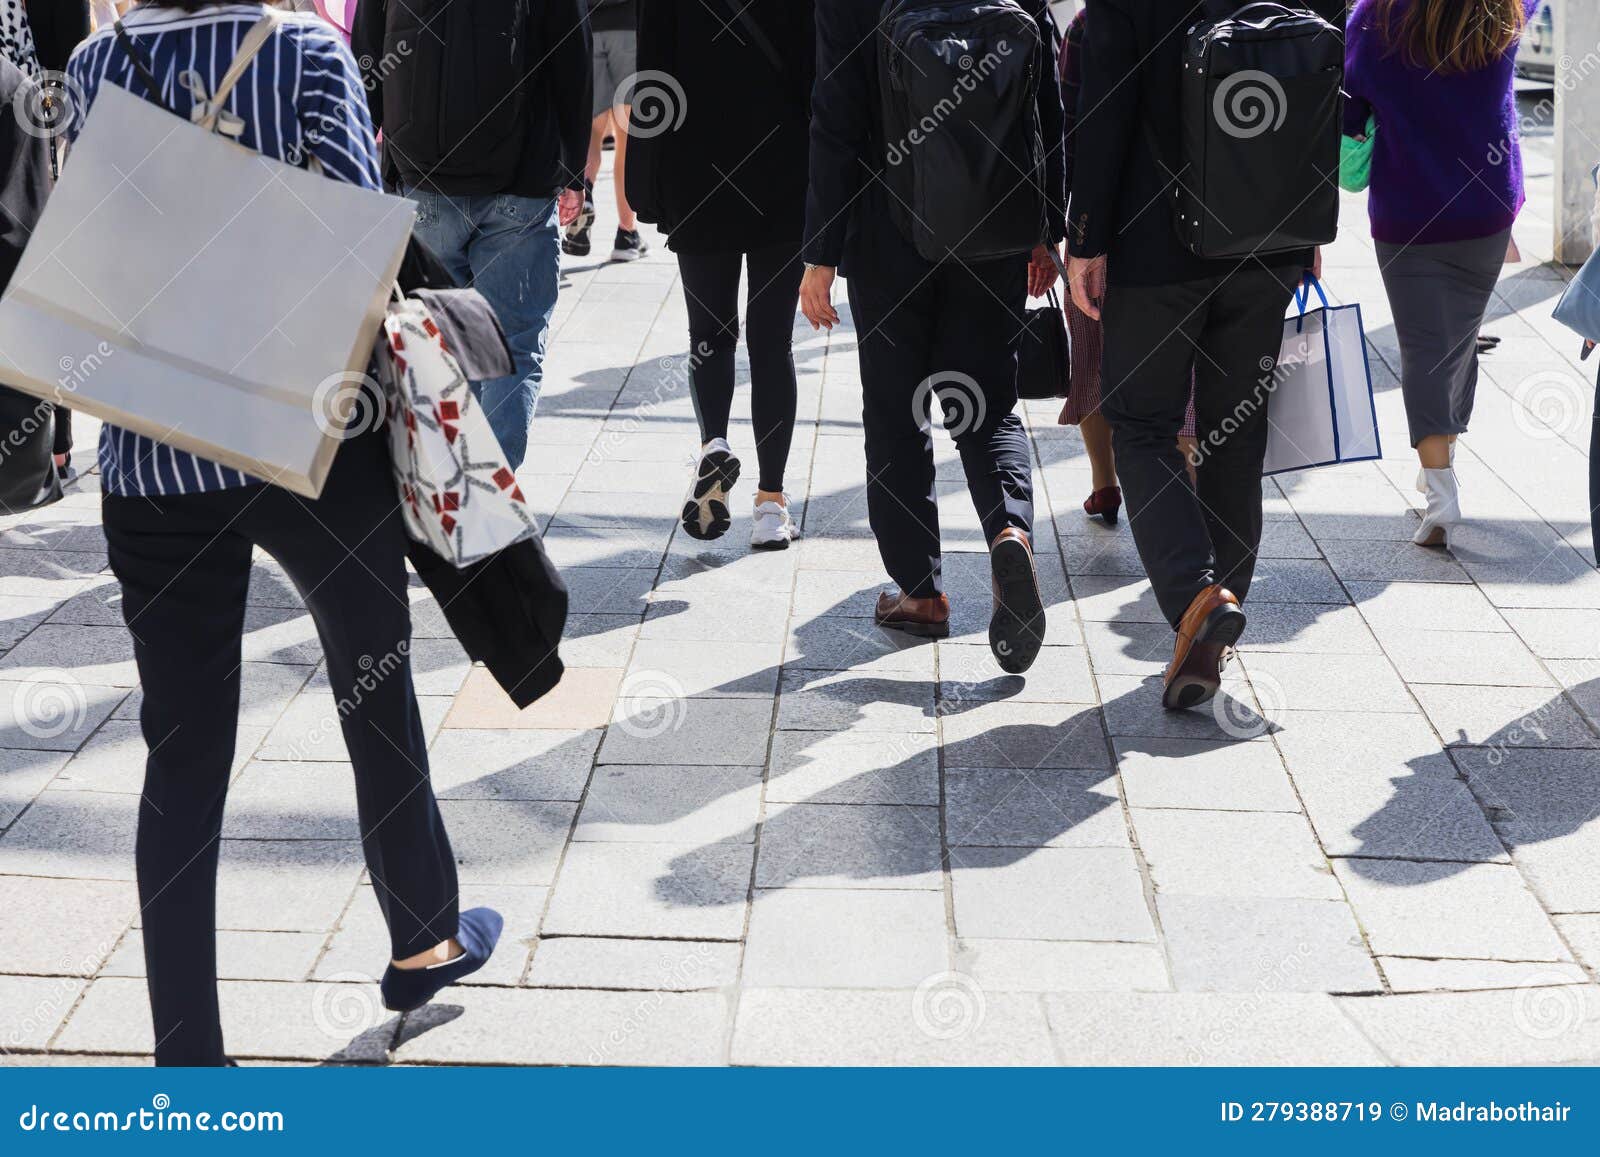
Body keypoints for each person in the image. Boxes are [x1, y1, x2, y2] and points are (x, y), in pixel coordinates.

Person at [67, 0, 499, 1066]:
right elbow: (362, 234)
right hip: (312, 436)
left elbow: (94, 248)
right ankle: (422, 935)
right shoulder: (304, 50)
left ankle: (188, 1053)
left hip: (153, 451)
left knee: (183, 749)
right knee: (373, 683)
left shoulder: (89, 66)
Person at [1067, 0, 1327, 711]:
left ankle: (1196, 596)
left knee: (1142, 422)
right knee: (1235, 430)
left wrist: (1084, 238)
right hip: (1270, 236)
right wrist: (1307, 230)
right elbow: (1321, 85)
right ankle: (1212, 618)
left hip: (1158, 245)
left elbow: (1106, 106)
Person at [801, 0, 1064, 673]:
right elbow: (1047, 103)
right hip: (997, 225)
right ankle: (1009, 528)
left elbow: (835, 116)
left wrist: (821, 254)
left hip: (888, 231)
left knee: (896, 410)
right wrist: (1046, 229)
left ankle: (920, 593)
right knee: (989, 402)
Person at [353, 0, 590, 470]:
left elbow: (368, 55)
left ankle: (452, 485)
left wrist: (371, 147)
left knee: (445, 345)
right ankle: (490, 499)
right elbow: (572, 59)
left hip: (425, 176)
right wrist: (573, 169)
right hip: (520, 181)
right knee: (513, 344)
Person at [1345, 0, 1539, 548]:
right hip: (1488, 206)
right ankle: (1442, 460)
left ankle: (1440, 491)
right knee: (1456, 340)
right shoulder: (1504, 10)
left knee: (1426, 346)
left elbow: (1351, 101)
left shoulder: (1371, 18)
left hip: (1409, 209)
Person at [636, 0, 811, 550]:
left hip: (696, 171)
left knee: (709, 335)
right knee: (771, 340)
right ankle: (771, 504)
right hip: (784, 171)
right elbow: (821, 72)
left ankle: (714, 444)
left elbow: (652, 75)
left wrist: (645, 187)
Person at [1055, 4, 1196, 525]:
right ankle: (1190, 497)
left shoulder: (1089, 27)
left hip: (1109, 223)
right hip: (1203, 227)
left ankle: (1104, 483)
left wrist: (1072, 231)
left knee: (1093, 354)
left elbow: (1070, 126)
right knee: (1187, 372)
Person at [565, 0, 647, 262]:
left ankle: (585, 191)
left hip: (588, 27)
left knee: (592, 134)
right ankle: (627, 233)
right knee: (626, 140)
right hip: (628, 28)